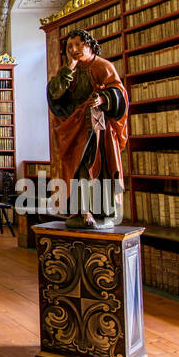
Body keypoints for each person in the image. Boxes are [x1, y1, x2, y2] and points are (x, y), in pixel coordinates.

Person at [46, 29, 128, 228]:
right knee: (76, 168)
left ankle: (99, 211)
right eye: (69, 47)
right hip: (74, 128)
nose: (74, 50)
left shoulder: (103, 66)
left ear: (89, 45)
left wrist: (103, 98)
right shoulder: (68, 71)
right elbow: (55, 93)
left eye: (78, 45)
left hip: (97, 128)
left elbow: (119, 93)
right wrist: (69, 68)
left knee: (95, 167)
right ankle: (80, 210)